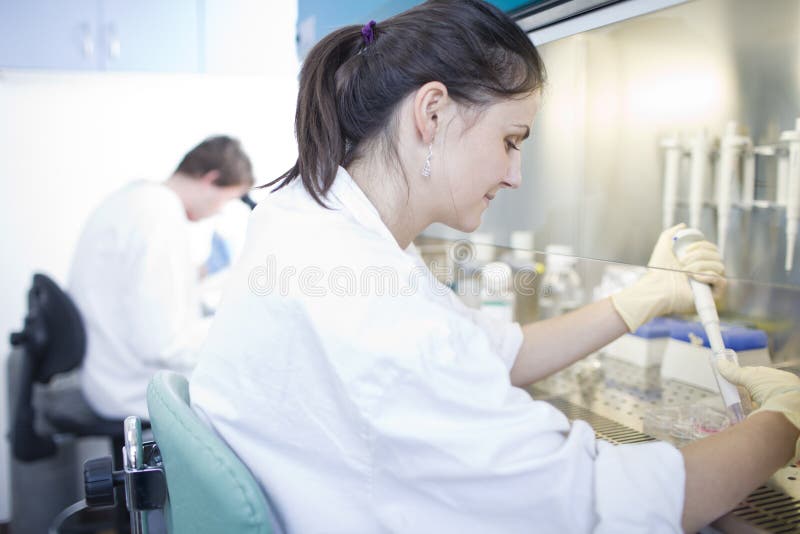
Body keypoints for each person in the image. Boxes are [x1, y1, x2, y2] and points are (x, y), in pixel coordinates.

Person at [189, 2, 800, 532]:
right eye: (511, 140)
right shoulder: (375, 308)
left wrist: (639, 298)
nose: (515, 174)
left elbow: (492, 353)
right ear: (431, 114)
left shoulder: (311, 227)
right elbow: (597, 507)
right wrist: (781, 425)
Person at [69, 135, 254, 420]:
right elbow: (164, 344)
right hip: (129, 388)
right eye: (226, 201)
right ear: (210, 179)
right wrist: (237, 323)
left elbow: (132, 286)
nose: (219, 212)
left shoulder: (136, 198)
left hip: (106, 371)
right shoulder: (160, 215)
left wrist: (201, 273)